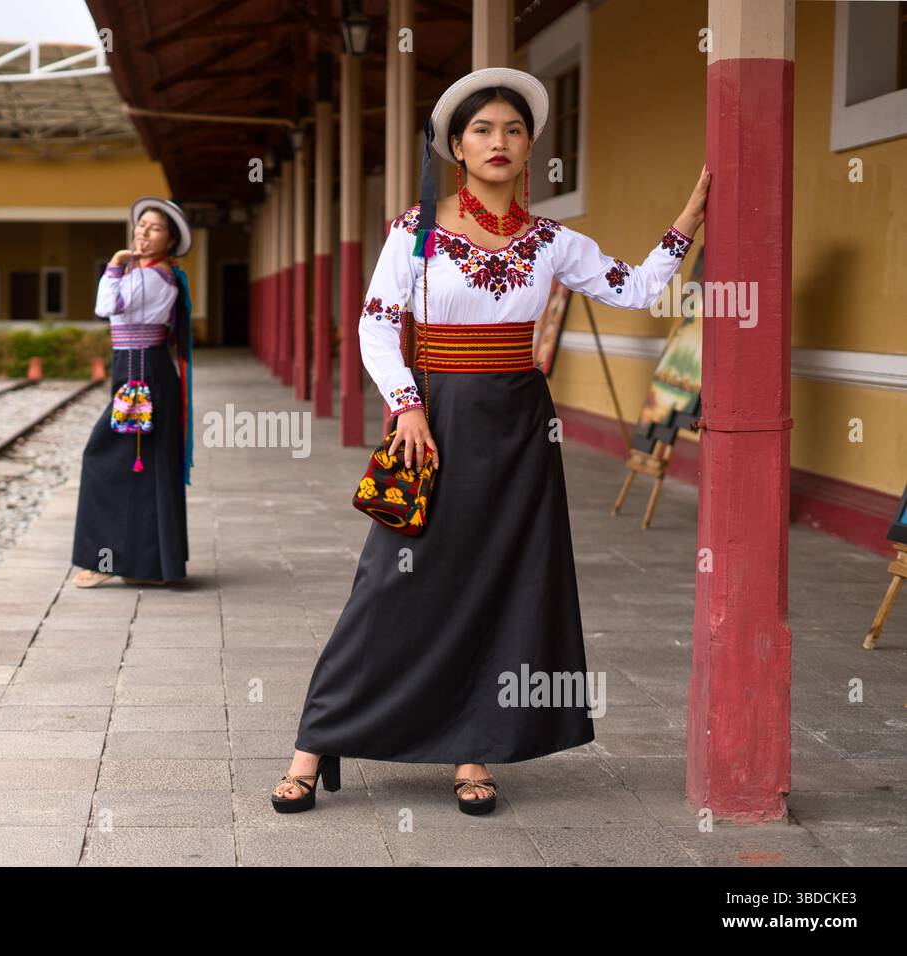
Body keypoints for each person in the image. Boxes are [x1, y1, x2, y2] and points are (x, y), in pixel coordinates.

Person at [270, 68, 710, 814]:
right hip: (435, 420)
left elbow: (637, 289)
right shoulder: (416, 232)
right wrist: (408, 407)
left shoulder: (553, 242)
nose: (498, 141)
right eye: (481, 130)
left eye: (511, 129)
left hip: (521, 429)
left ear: (530, 143)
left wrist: (692, 217)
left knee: (505, 584)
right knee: (391, 581)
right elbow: (377, 325)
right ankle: (312, 745)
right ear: (457, 147)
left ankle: (474, 753)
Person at [71, 197, 195, 587]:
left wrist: (114, 261)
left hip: (142, 375)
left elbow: (105, 305)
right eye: (141, 225)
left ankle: (107, 561)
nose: (143, 232)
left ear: (170, 240)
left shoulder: (152, 276)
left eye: (154, 228)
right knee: (140, 466)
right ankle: (147, 564)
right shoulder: (149, 273)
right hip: (141, 371)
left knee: (104, 458)